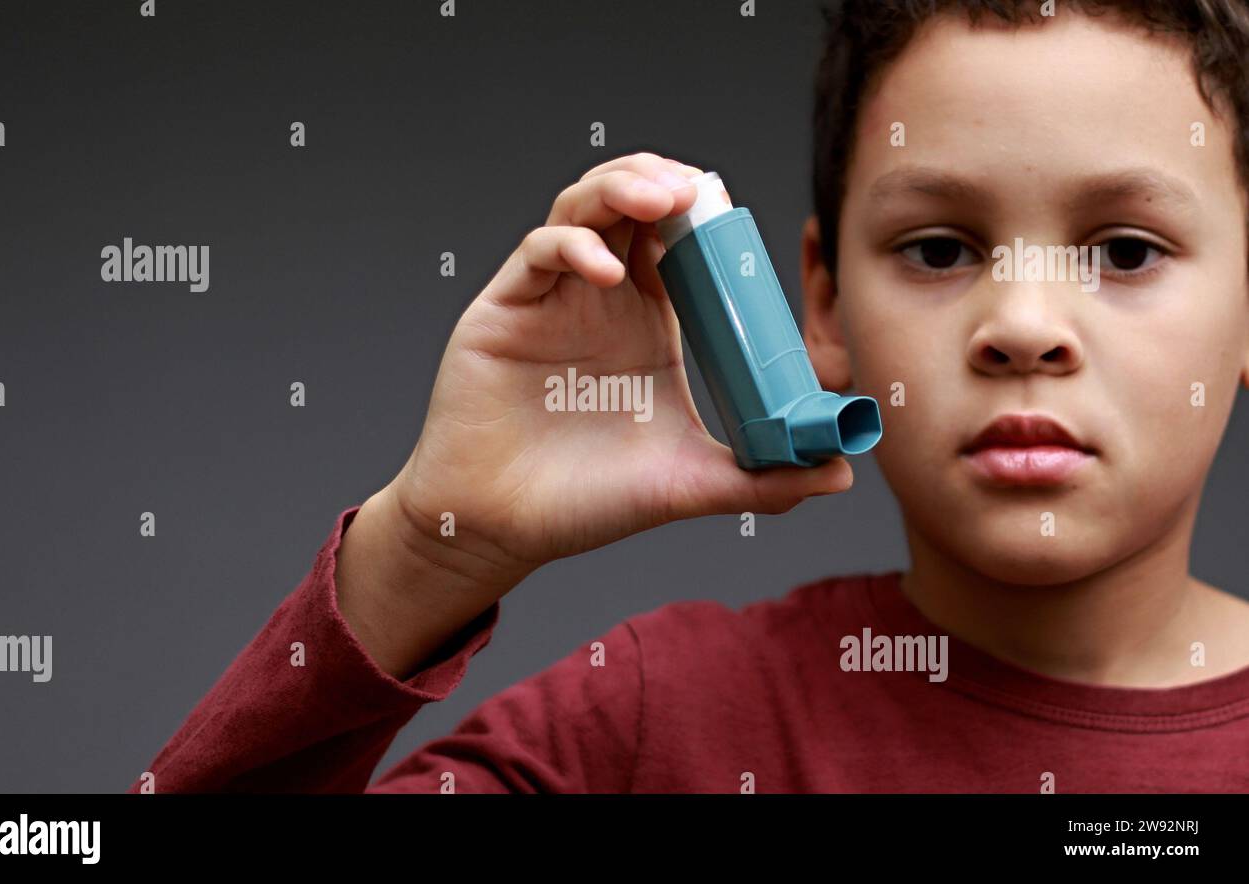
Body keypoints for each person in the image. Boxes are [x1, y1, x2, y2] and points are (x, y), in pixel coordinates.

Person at [133, 0, 1249, 793]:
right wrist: (427, 553)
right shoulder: (650, 719)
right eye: (941, 246)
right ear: (819, 302)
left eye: (1127, 249)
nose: (1020, 326)